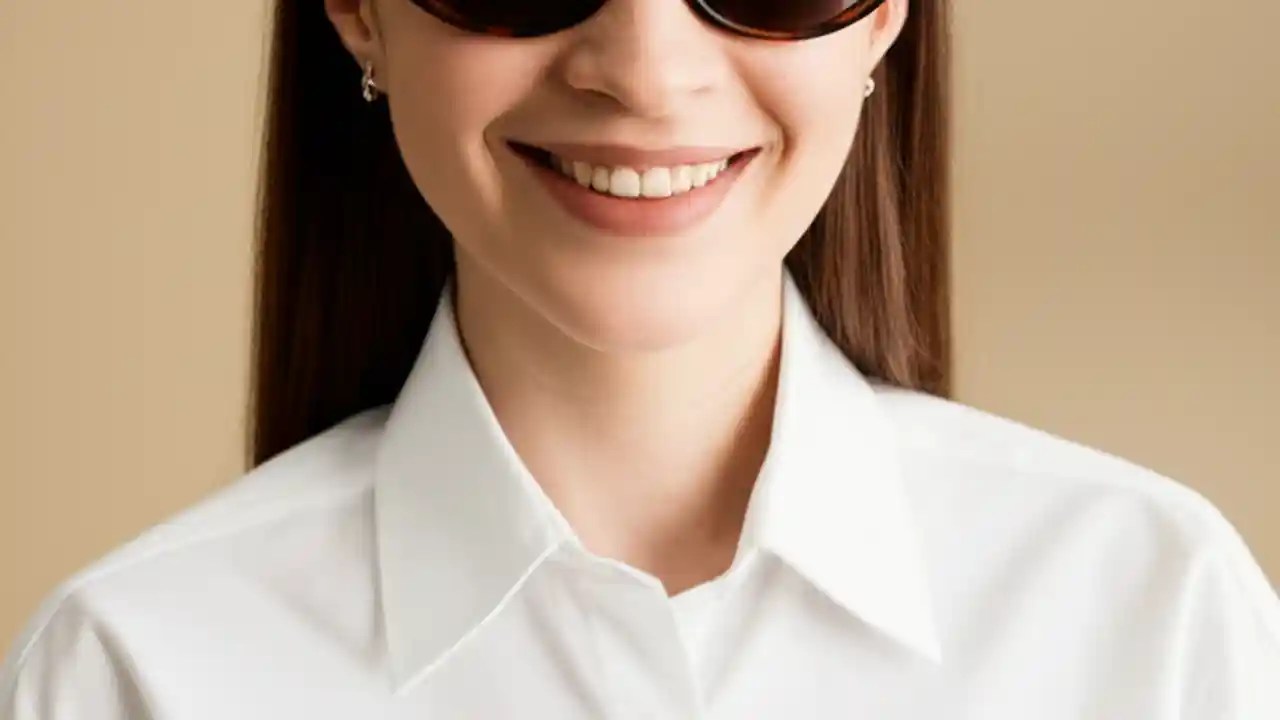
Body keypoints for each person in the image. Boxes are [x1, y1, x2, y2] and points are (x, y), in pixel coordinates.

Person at [3, 0, 1278, 717]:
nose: (645, 72)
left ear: (884, 15)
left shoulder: (1151, 619)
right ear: (355, 11)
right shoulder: (133, 670)